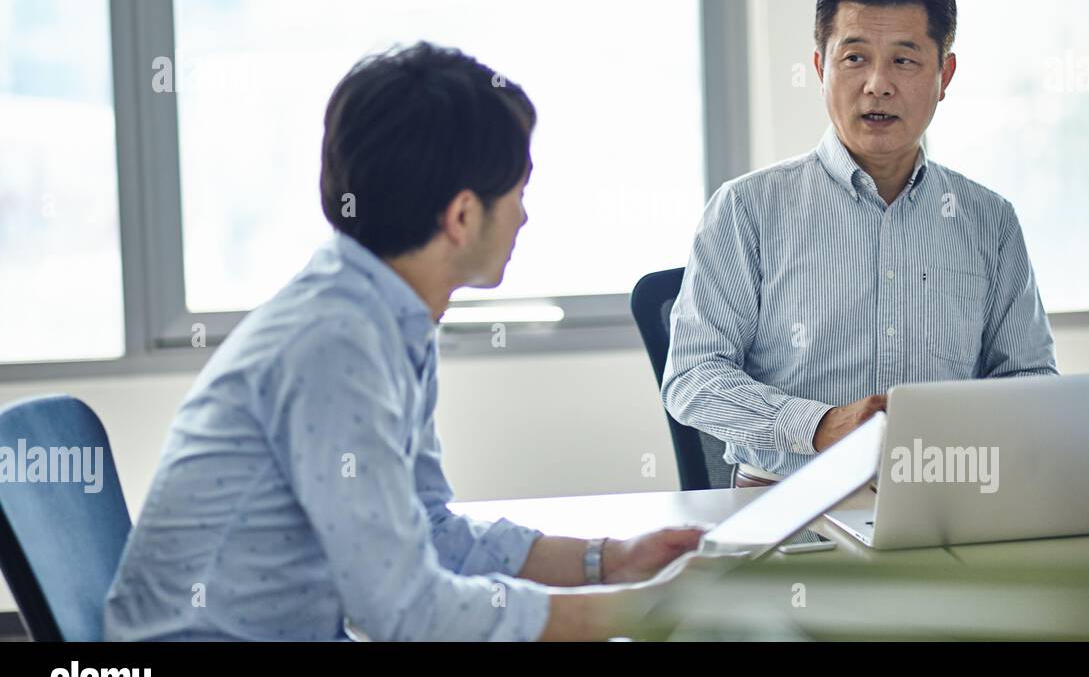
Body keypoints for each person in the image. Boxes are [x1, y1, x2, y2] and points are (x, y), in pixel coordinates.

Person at [104, 42, 702, 641]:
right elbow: (407, 615)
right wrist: (629, 612)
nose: (524, 217)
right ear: (462, 217)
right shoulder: (336, 347)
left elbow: (431, 530)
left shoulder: (381, 313)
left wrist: (609, 563)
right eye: (519, 191)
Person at [663, 0, 1058, 489]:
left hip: (945, 505)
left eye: (904, 60)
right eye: (854, 58)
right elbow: (693, 379)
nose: (878, 84)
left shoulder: (989, 221)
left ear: (944, 76)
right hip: (788, 512)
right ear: (821, 67)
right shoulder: (745, 211)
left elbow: (1030, 380)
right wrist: (820, 425)